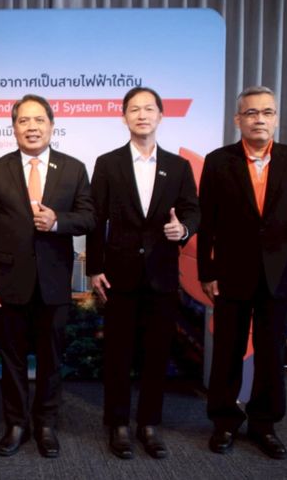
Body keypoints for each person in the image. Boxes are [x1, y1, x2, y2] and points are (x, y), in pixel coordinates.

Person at [198, 86, 287, 459]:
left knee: (271, 353)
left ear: (275, 118)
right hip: (230, 273)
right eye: (251, 113)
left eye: (267, 112)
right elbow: (206, 223)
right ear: (238, 119)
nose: (259, 119)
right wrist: (205, 273)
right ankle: (224, 422)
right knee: (227, 351)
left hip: (279, 273)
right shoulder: (217, 161)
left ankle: (264, 424)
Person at [0, 94, 95, 459]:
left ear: (51, 126)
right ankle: (16, 424)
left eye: (38, 120)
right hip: (9, 281)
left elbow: (89, 217)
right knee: (11, 359)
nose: (31, 127)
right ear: (13, 127)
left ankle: (46, 425)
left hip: (54, 282)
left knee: (51, 360)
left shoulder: (73, 168)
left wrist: (58, 221)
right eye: (23, 121)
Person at [86, 87, 200, 459]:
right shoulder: (107, 163)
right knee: (117, 354)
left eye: (149, 109)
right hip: (119, 276)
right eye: (133, 109)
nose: (141, 115)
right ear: (124, 118)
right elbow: (95, 219)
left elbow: (193, 212)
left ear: (161, 116)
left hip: (162, 276)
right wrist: (94, 268)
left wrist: (181, 230)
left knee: (156, 355)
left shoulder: (179, 166)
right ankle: (117, 424)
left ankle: (149, 424)